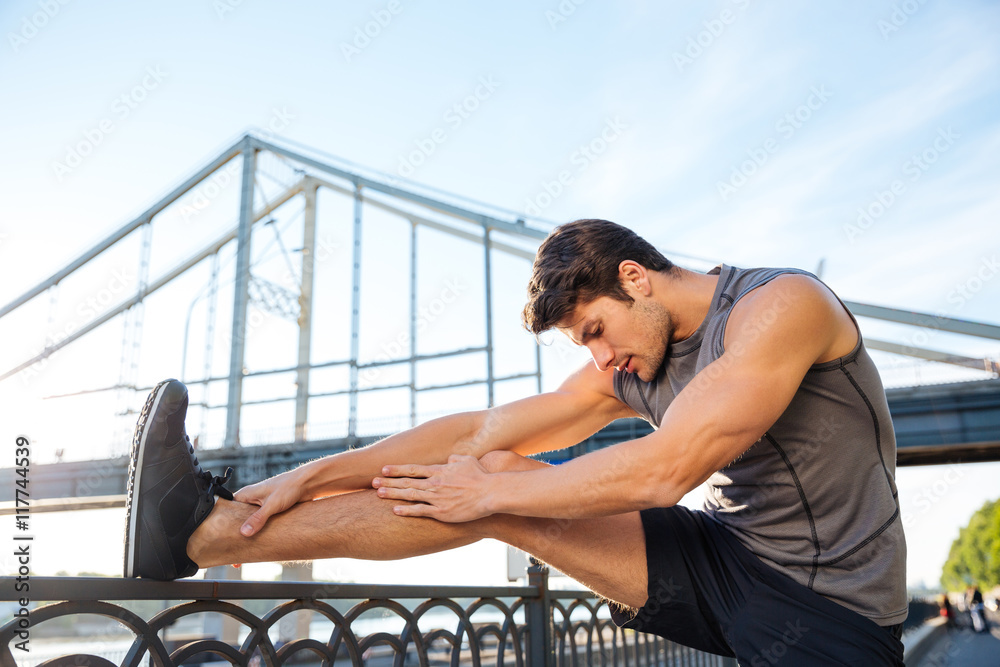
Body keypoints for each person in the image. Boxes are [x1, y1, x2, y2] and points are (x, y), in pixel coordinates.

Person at [123, 219, 907, 664]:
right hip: (724, 559)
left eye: (595, 330)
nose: (598, 359)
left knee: (490, 488)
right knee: (484, 471)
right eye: (581, 345)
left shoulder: (782, 307)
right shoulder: (628, 364)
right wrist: (319, 471)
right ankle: (201, 529)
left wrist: (492, 490)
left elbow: (669, 466)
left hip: (834, 612)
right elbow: (478, 433)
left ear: (636, 276)